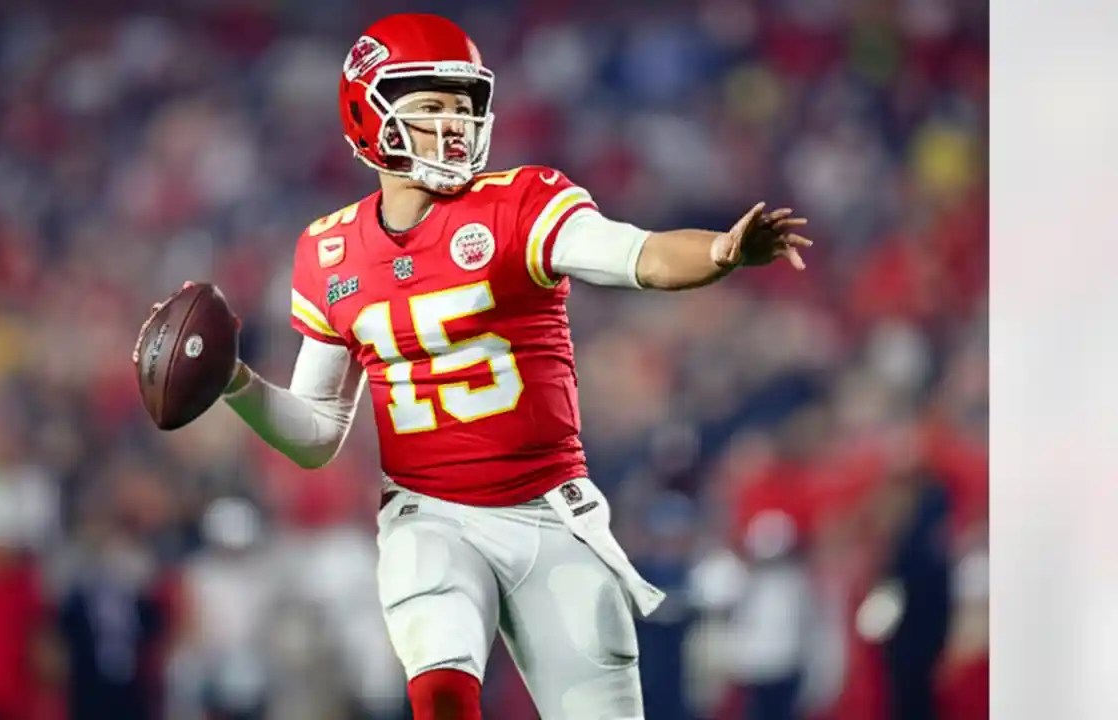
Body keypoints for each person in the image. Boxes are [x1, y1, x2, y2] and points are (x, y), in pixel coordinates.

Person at [134, 13, 811, 720]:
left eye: (463, 106)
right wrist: (236, 385)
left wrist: (719, 253)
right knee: (440, 668)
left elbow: (634, 254)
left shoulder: (520, 201)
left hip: (551, 510)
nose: (454, 124)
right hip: (430, 513)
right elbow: (315, 434)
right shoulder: (328, 250)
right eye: (430, 106)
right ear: (369, 113)